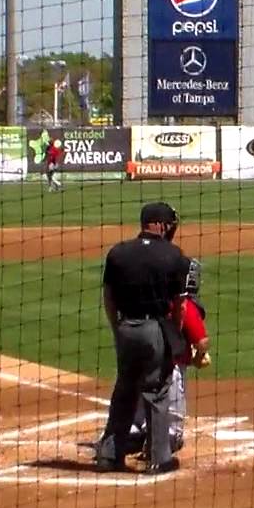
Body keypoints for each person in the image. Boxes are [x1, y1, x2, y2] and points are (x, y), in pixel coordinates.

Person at [94, 201, 191, 475]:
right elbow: (180, 305)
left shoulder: (118, 253)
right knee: (157, 391)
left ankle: (110, 455)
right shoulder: (174, 256)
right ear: (159, 224)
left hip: (126, 328)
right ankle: (160, 458)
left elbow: (109, 297)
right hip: (154, 329)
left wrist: (117, 328)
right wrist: (174, 334)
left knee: (124, 390)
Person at [124, 258, 212, 457]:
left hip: (140, 361)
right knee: (172, 423)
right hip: (170, 368)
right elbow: (201, 341)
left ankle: (135, 433)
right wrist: (200, 355)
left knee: (139, 402)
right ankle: (162, 443)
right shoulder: (184, 304)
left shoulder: (149, 299)